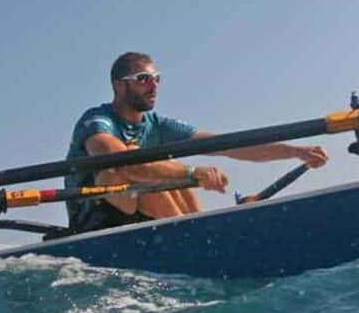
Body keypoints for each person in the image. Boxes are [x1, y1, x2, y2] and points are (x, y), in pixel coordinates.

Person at [64, 53, 329, 234]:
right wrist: (193, 174)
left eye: (157, 79)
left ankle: (198, 228)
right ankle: (190, 233)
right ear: (119, 86)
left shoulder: (156, 124)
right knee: (132, 159)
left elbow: (226, 145)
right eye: (143, 79)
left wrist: (295, 152)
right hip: (94, 220)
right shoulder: (97, 120)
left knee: (166, 161)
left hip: (139, 215)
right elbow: (119, 160)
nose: (153, 86)